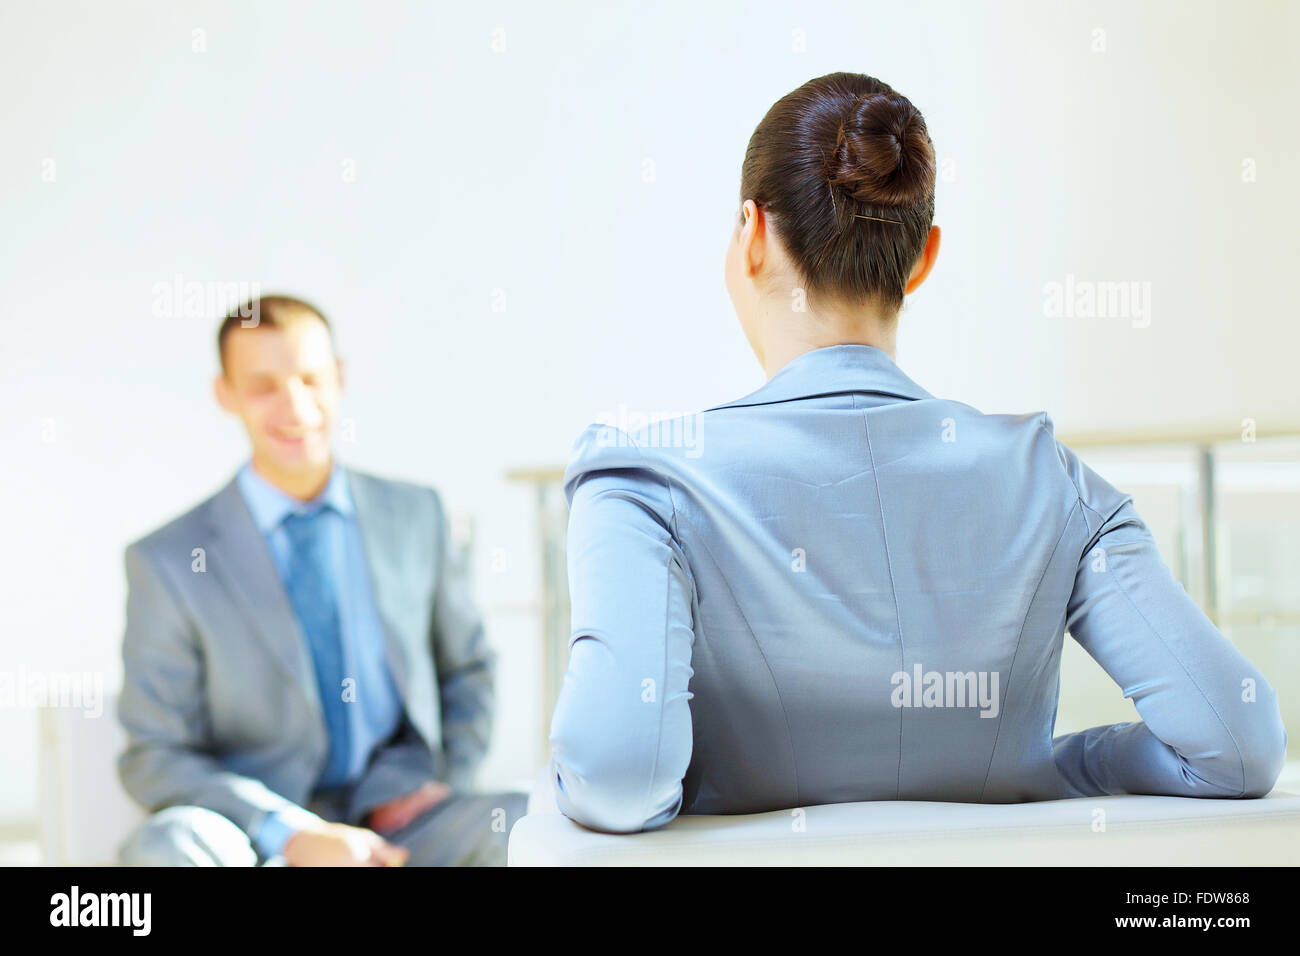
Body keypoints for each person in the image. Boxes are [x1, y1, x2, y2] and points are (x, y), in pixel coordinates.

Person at [546, 72, 1287, 833]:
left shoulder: (642, 483)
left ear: (752, 234)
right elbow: (1238, 743)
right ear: (922, 258)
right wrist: (1063, 767)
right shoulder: (1050, 480)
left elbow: (619, 775)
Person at [116, 295, 526, 865]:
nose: (296, 405)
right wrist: (287, 831)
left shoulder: (415, 515)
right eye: (264, 386)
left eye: (311, 379)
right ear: (226, 395)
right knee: (171, 845)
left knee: (529, 826)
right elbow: (155, 754)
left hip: (404, 828)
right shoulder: (168, 560)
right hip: (259, 840)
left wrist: (439, 781)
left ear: (339, 378)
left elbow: (468, 670)